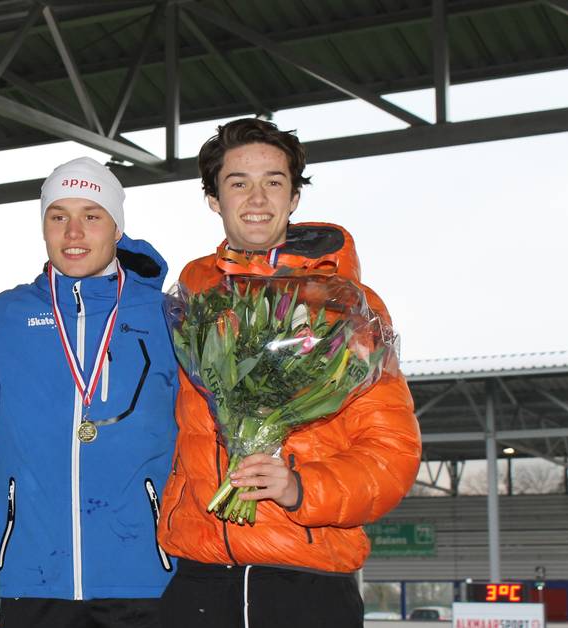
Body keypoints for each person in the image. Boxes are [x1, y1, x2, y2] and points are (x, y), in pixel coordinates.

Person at [156, 118, 421, 628]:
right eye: (238, 183)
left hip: (306, 587)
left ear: (294, 196)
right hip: (199, 579)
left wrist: (301, 487)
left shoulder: (349, 309)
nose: (257, 198)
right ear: (214, 199)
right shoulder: (193, 298)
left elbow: (393, 455)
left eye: (274, 181)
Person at [0, 157, 179, 628]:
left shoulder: (166, 317)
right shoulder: (1, 320)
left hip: (148, 578)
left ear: (117, 230)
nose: (74, 233)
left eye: (92, 216)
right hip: (35, 577)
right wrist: (12, 491)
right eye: (58, 216)